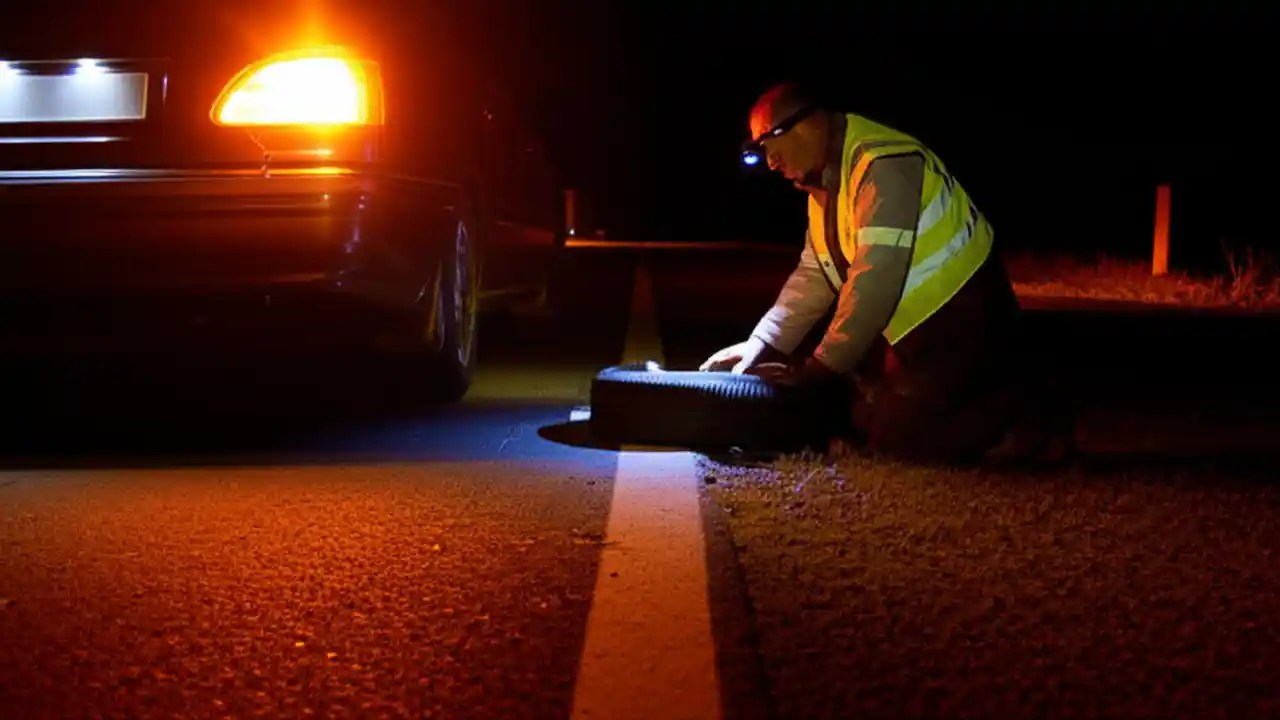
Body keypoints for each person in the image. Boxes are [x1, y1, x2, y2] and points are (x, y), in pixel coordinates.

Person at [701, 82, 1073, 465]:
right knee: (864, 418)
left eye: (768, 143)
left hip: (966, 317)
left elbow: (874, 283)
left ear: (808, 123)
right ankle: (921, 402)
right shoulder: (827, 183)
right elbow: (815, 273)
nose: (770, 162)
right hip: (916, 334)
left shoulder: (882, 164)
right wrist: (762, 343)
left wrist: (818, 370)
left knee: (898, 435)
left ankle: (1027, 408)